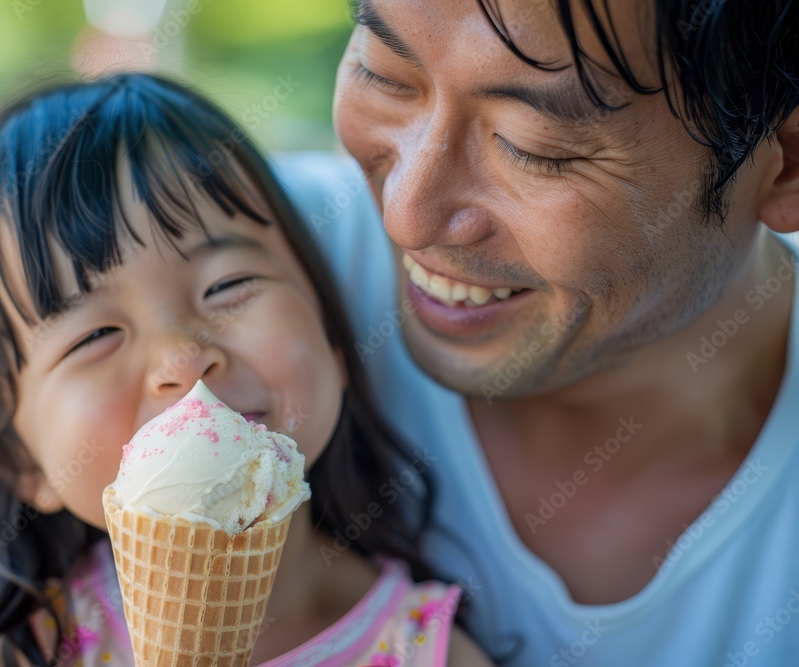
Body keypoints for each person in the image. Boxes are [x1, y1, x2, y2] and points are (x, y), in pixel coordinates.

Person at [0, 74, 490, 666]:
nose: (183, 360)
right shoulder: (29, 621)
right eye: (95, 332)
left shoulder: (422, 646)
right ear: (19, 460)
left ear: (333, 343)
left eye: (228, 286)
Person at [272, 0, 799, 665]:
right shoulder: (211, 266)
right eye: (385, 76)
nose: (407, 216)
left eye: (533, 147)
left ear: (786, 163)